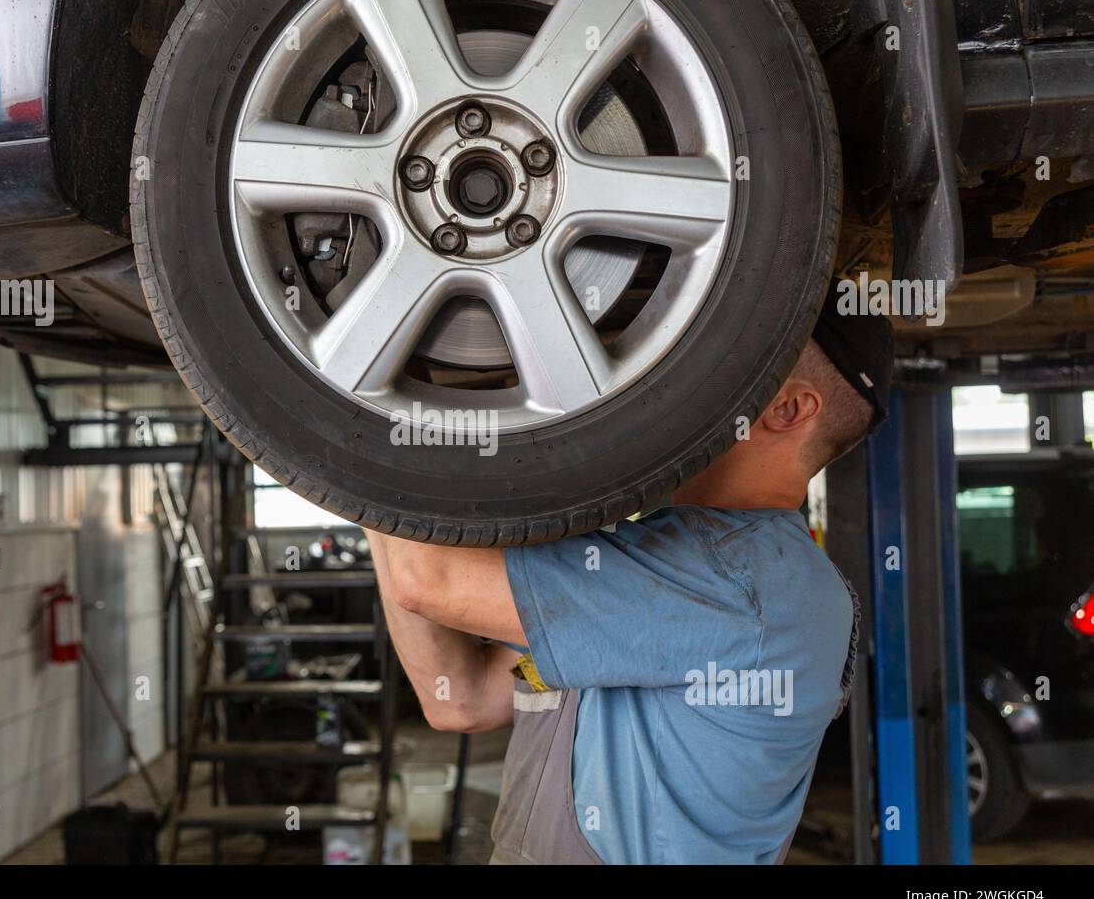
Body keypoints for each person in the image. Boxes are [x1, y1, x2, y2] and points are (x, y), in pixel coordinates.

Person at [366, 307, 895, 864]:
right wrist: (359, 493)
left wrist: (349, 422)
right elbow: (462, 698)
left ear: (788, 408)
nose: (680, 390)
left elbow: (429, 578)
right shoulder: (666, 573)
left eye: (722, 373)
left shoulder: (738, 579)